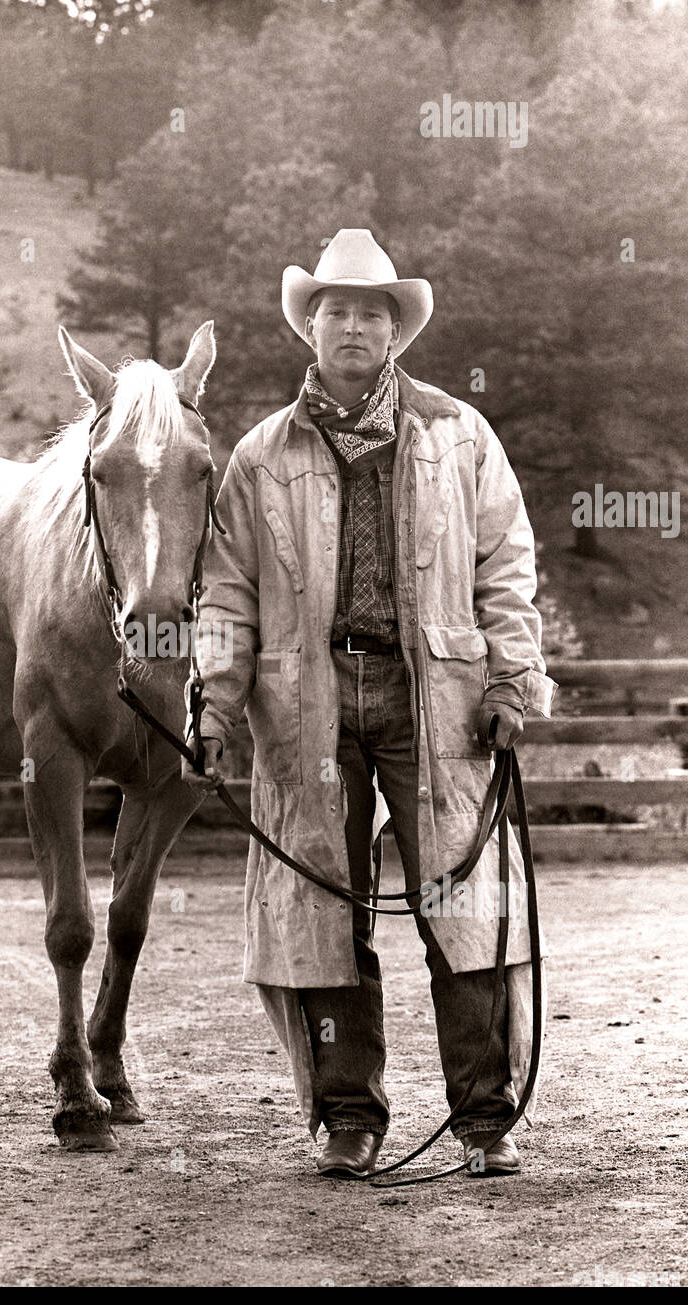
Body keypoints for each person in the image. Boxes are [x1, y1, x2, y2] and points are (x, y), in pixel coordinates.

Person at [184, 228, 557, 1179]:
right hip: (303, 700)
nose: (352, 326)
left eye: (370, 312)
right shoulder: (259, 458)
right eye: (336, 311)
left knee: (461, 899)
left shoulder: (459, 435)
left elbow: (505, 566)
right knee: (320, 906)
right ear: (310, 328)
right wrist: (216, 707)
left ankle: (484, 1117)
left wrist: (512, 678)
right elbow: (225, 595)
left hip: (438, 693)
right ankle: (346, 1115)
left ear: (396, 331)